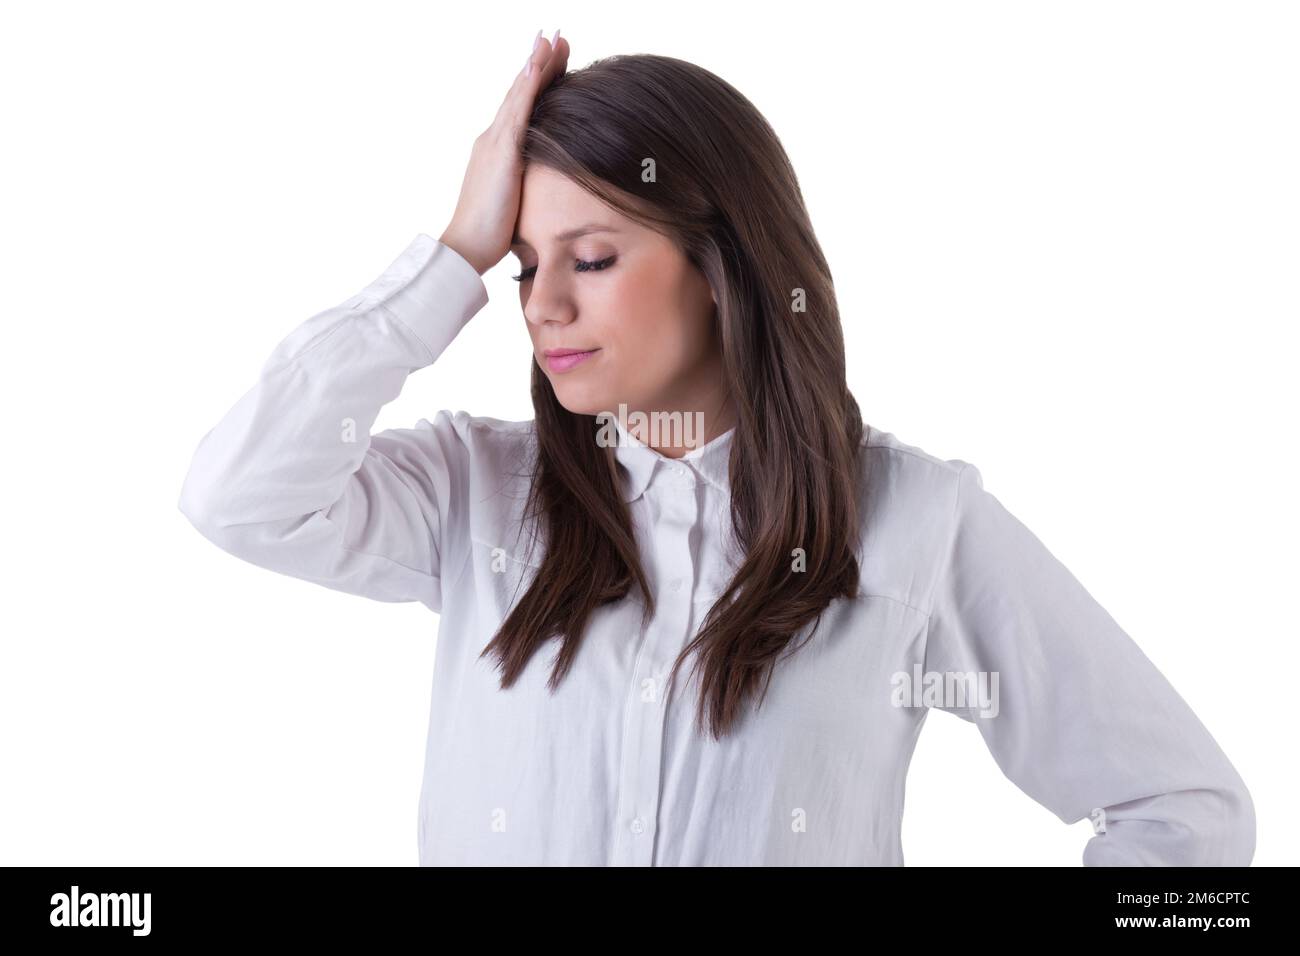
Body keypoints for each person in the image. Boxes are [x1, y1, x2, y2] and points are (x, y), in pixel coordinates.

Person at [178, 30, 1255, 866]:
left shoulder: (917, 524)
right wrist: (452, 254)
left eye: (591, 257)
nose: (541, 303)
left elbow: (1182, 812)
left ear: (719, 263)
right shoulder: (474, 492)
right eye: (520, 265)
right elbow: (239, 496)